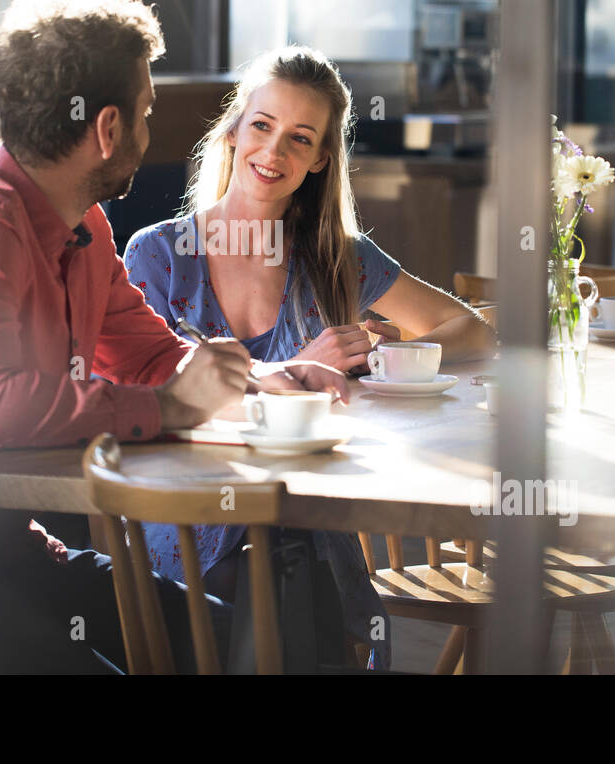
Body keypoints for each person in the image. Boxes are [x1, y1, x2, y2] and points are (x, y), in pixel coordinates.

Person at [0, 0, 347, 673]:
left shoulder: (83, 227)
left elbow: (151, 354)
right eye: (147, 113)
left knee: (237, 646)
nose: (150, 132)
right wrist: (167, 409)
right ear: (106, 129)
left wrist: (259, 383)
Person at [124, 45, 497, 669]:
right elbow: (152, 400)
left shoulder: (335, 257)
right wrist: (296, 369)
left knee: (297, 580)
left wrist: (379, 352)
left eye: (300, 139)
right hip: (187, 530)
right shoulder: (158, 254)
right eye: (263, 127)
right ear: (234, 129)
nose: (273, 153)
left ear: (321, 159)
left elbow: (472, 330)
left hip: (308, 531)